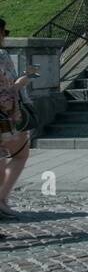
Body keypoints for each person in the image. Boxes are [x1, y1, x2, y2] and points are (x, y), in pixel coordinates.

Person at [0, 18, 38, 219]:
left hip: (7, 116)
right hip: (7, 117)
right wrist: (20, 83)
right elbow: (6, 90)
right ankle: (2, 199)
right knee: (19, 155)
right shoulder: (1, 55)